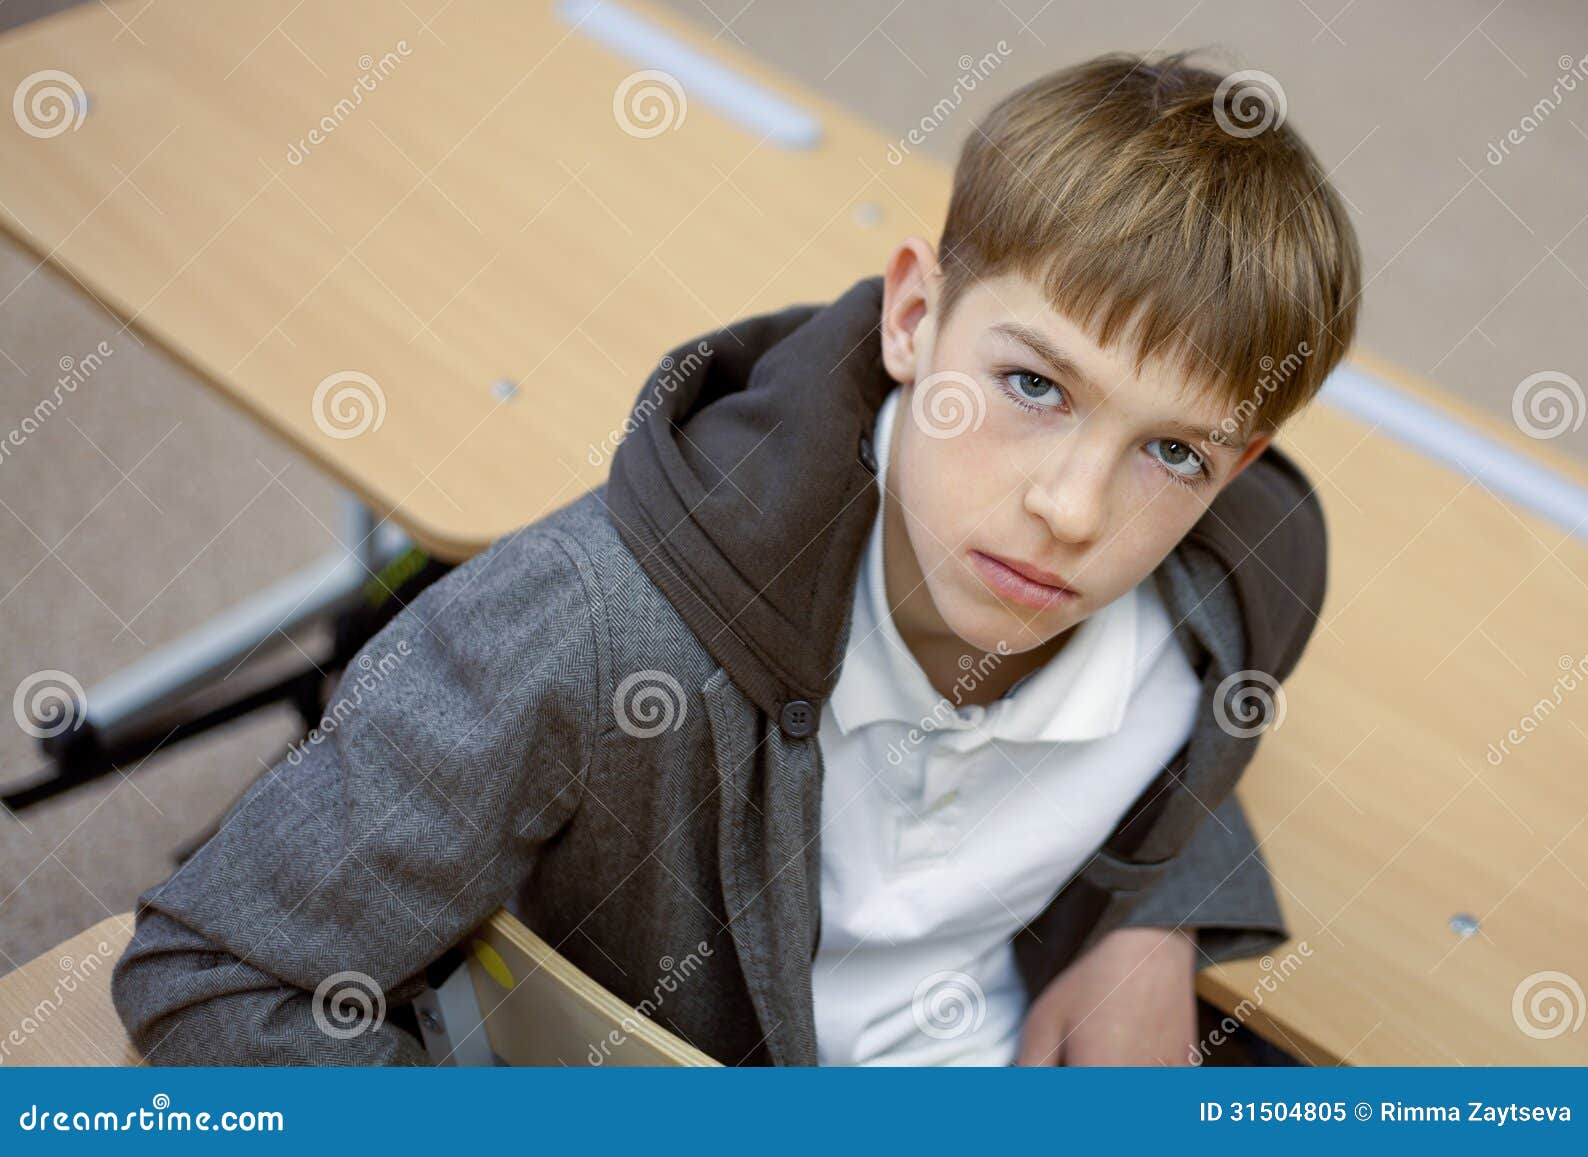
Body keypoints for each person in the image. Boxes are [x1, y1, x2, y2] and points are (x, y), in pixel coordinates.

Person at [112, 49, 1359, 1066]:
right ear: (914, 317)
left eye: (1173, 454)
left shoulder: (1243, 584)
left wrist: (1146, 918)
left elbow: (1190, 735)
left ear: (1233, 474)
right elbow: (210, 973)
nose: (1075, 511)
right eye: (1033, 383)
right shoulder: (588, 632)